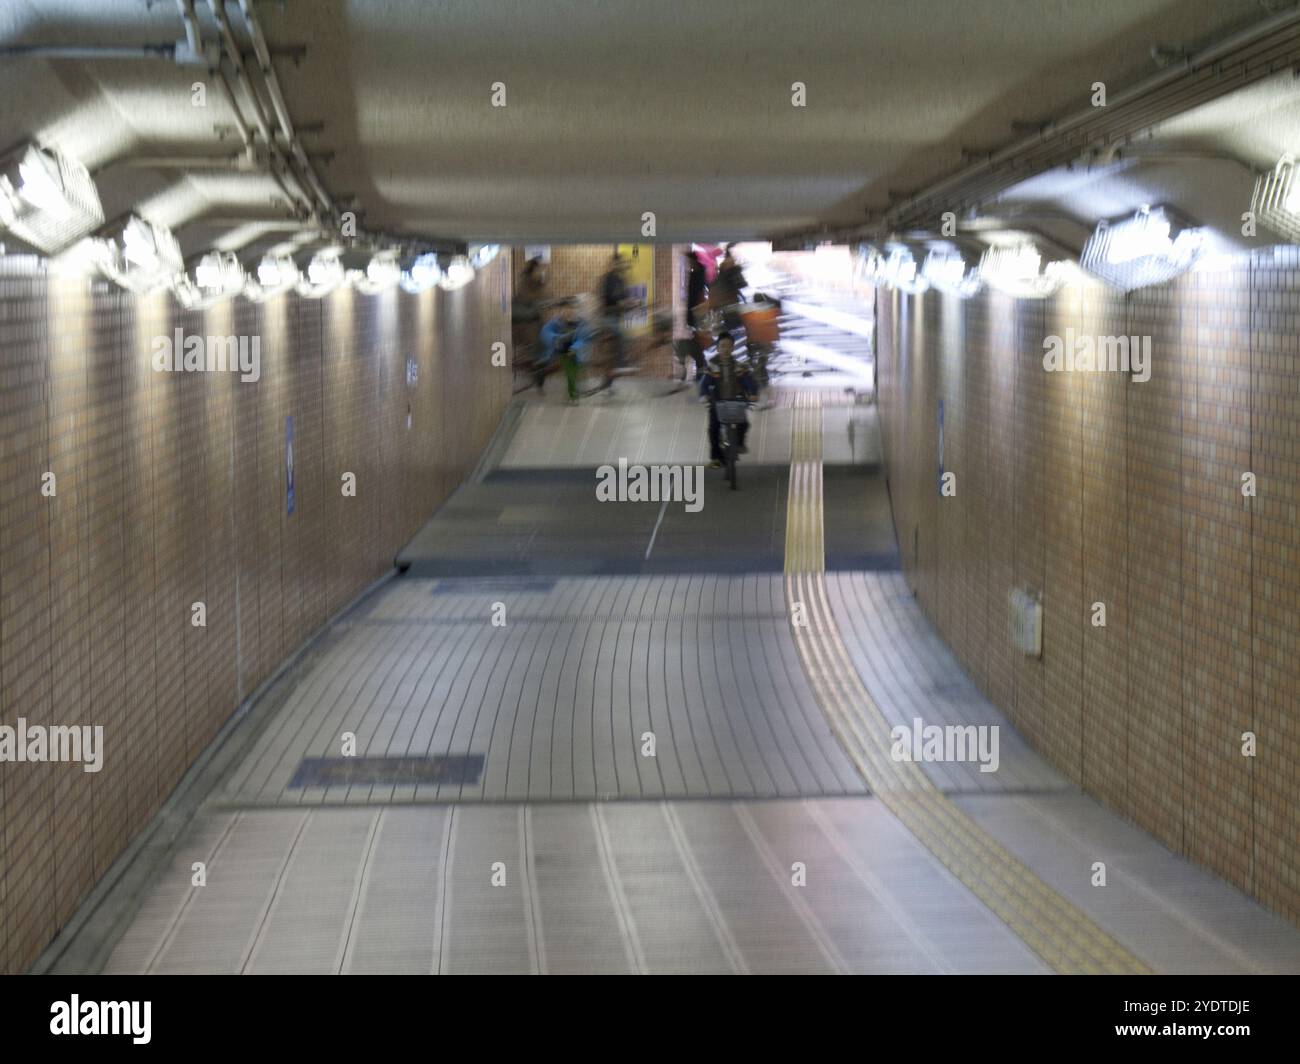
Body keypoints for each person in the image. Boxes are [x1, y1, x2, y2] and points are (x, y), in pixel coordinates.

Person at [698, 331, 758, 467]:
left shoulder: (738, 366)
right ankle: (716, 458)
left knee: (744, 424)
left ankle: (739, 444)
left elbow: (748, 381)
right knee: (714, 428)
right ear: (717, 348)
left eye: (728, 346)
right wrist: (704, 394)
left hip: (736, 401)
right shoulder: (712, 366)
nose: (725, 349)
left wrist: (753, 393)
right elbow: (705, 383)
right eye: (722, 346)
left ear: (732, 348)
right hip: (717, 402)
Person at [538, 299, 594, 402]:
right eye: (566, 309)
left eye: (572, 308)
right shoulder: (556, 323)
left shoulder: (581, 323)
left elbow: (584, 338)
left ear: (576, 310)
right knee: (570, 373)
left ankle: (573, 390)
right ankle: (573, 395)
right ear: (561, 310)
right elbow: (545, 332)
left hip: (577, 352)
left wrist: (575, 348)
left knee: (575, 371)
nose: (569, 311)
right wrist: (556, 338)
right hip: (562, 352)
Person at [599, 253, 635, 379]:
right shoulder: (607, 279)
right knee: (622, 335)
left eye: (621, 263)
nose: (620, 265)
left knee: (626, 337)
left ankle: (610, 378)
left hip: (617, 318)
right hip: (608, 317)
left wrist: (632, 303)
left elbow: (625, 297)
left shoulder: (621, 280)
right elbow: (609, 297)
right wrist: (622, 303)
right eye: (617, 263)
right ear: (613, 264)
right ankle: (622, 363)